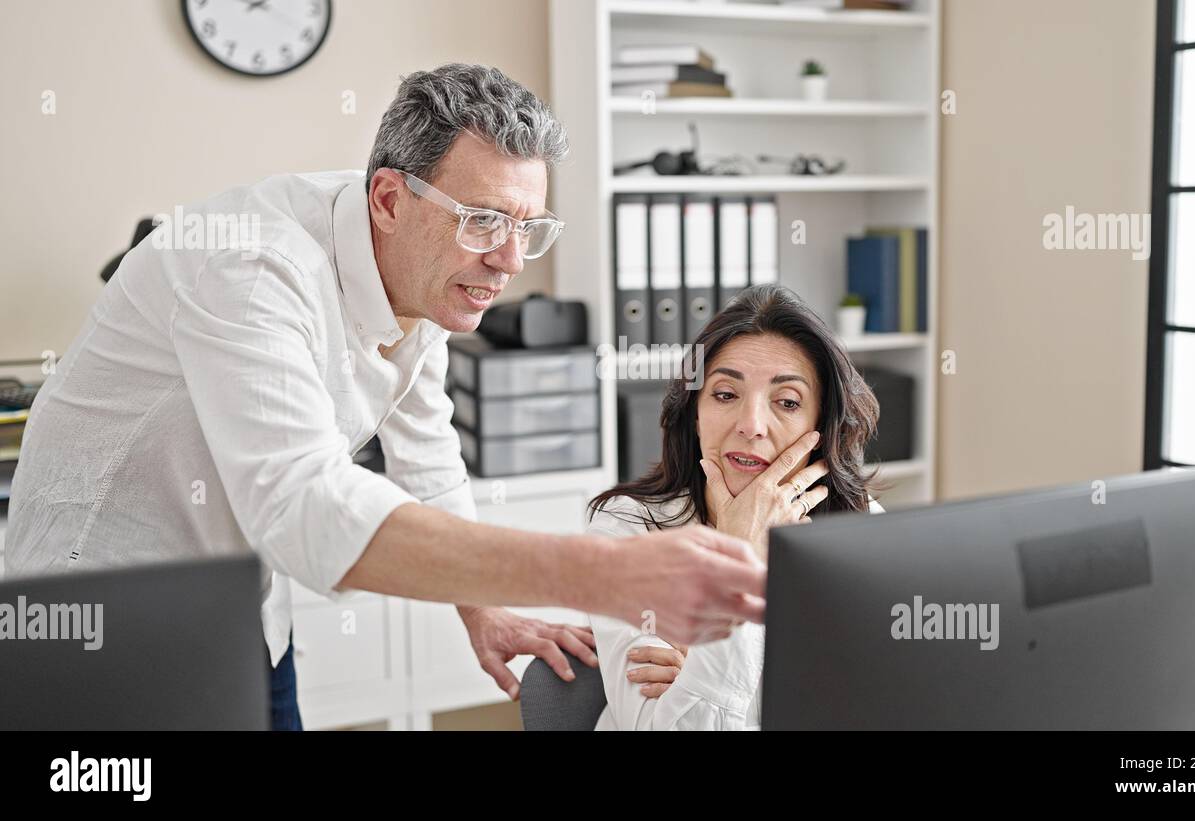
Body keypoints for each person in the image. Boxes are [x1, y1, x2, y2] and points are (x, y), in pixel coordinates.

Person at [4, 64, 764, 730]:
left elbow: (427, 454)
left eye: (527, 228)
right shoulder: (247, 265)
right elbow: (305, 506)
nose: (508, 261)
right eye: (483, 221)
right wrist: (603, 575)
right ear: (390, 199)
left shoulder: (419, 266)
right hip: (102, 619)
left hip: (241, 608)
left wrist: (481, 605)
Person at [586, 284, 885, 730]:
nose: (751, 426)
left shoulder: (859, 528)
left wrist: (699, 664)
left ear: (822, 425)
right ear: (695, 411)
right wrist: (739, 553)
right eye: (725, 395)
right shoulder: (625, 531)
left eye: (787, 402)